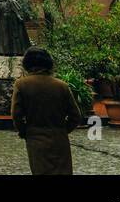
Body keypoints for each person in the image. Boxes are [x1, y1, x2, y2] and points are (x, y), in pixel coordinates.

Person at [10, 46, 84, 175]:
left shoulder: (21, 85)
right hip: (59, 138)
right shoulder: (62, 86)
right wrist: (63, 130)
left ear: (27, 64)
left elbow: (16, 115)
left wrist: (25, 132)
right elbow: (75, 116)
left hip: (35, 139)